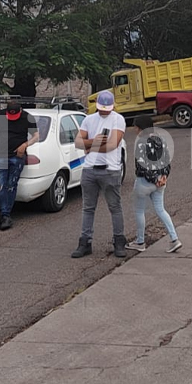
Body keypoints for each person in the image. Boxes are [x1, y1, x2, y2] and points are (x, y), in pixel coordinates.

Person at [71, 90, 127, 258]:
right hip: (90, 169)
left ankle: (119, 241)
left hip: (110, 169)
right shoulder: (89, 119)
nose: (105, 111)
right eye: (102, 108)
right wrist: (93, 142)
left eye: (107, 108)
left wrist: (89, 146)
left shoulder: (118, 119)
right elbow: (77, 142)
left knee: (115, 207)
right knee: (88, 208)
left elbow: (112, 145)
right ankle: (85, 242)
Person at [126, 116, 181, 254]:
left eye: (135, 126)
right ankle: (174, 239)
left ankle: (140, 241)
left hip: (144, 182)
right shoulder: (161, 140)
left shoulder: (140, 143)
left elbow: (141, 166)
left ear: (139, 128)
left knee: (139, 211)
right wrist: (162, 177)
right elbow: (167, 160)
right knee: (161, 209)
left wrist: (152, 179)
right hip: (161, 181)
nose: (134, 129)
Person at [0, 98, 38, 231]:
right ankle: (5, 215)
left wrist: (25, 144)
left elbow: (36, 136)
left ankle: (5, 215)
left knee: (11, 184)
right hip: (2, 154)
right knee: (1, 185)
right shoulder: (0, 114)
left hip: (17, 155)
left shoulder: (27, 117)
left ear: (20, 110)